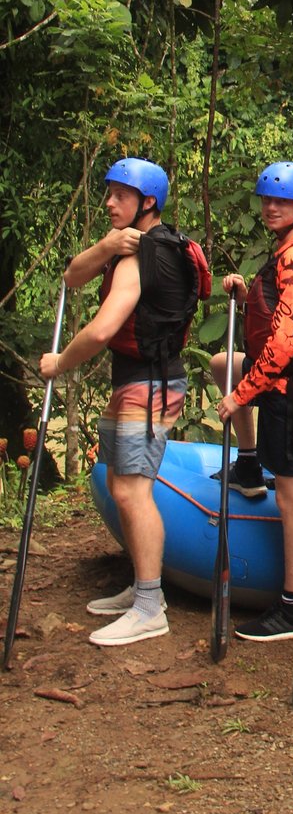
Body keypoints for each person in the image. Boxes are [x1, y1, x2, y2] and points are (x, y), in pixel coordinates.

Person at [40, 158, 210, 647]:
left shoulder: (143, 257)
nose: (110, 202)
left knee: (134, 490)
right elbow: (73, 277)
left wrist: (60, 364)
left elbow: (102, 329)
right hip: (133, 381)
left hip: (151, 387)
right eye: (108, 192)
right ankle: (141, 587)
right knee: (120, 482)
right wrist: (106, 245)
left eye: (120, 195)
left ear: (148, 201)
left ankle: (150, 605)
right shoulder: (127, 248)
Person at [217, 162, 293, 642]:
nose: (271, 207)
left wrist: (240, 395)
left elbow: (288, 342)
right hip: (282, 389)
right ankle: (248, 464)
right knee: (221, 360)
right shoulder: (285, 254)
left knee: (291, 498)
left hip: (290, 395)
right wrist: (246, 296)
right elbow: (275, 317)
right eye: (267, 199)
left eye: (281, 201)